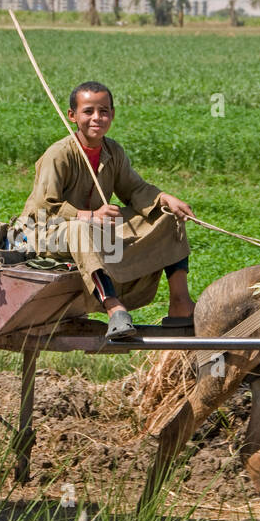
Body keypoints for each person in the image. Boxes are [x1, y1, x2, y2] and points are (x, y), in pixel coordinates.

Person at [16, 81, 196, 338]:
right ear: (72, 116)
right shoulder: (59, 154)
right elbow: (45, 207)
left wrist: (165, 198)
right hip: (44, 231)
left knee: (166, 216)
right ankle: (114, 308)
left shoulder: (113, 151)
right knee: (80, 229)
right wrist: (88, 216)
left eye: (103, 111)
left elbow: (134, 190)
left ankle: (180, 303)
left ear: (112, 114)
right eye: (88, 111)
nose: (96, 118)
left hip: (94, 229)